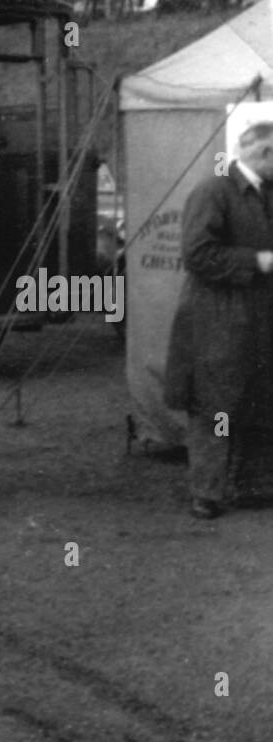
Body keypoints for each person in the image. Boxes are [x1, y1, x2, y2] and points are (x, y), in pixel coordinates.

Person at [164, 121, 273, 519]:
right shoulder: (213, 191)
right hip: (217, 320)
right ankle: (207, 493)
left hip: (259, 317)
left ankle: (252, 486)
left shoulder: (265, 192)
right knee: (216, 405)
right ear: (264, 154)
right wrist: (257, 261)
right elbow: (197, 254)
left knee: (259, 397)